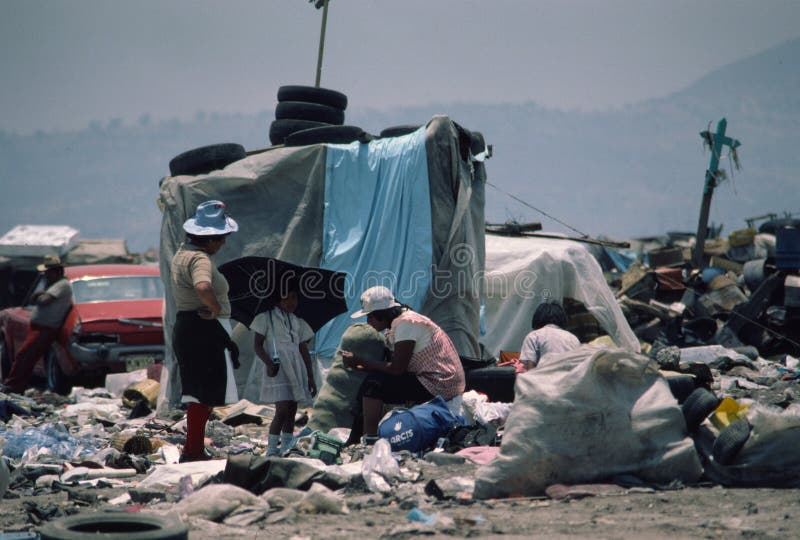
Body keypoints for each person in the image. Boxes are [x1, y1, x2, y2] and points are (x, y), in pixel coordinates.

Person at [342, 286, 465, 440]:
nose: (368, 322)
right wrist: (360, 365)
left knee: (373, 384)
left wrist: (360, 361)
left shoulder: (406, 324)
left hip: (441, 383)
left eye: (370, 317)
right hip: (430, 379)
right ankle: (357, 437)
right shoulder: (397, 324)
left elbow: (397, 369)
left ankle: (368, 439)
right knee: (373, 380)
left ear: (382, 314)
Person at [171, 200, 240, 462]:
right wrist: (216, 307)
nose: (222, 243)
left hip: (188, 327)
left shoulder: (181, 254)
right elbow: (202, 286)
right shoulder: (200, 259)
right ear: (209, 239)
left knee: (200, 392)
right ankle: (194, 450)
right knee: (203, 393)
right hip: (202, 330)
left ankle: (194, 447)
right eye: (220, 238)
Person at [250, 286, 317, 456]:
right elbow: (257, 345)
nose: (291, 302)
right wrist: (268, 363)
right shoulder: (266, 318)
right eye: (286, 297)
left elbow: (303, 349)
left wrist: (310, 376)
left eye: (294, 297)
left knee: (292, 409)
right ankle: (272, 449)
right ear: (277, 299)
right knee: (281, 410)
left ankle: (286, 445)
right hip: (278, 368)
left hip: (295, 368)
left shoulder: (297, 321)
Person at [2, 255, 73, 394]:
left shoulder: (62, 285)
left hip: (45, 328)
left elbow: (43, 300)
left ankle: (13, 385)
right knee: (26, 356)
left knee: (25, 355)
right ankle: (16, 384)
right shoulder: (54, 285)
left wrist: (39, 294)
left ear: (58, 272)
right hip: (39, 326)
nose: (46, 275)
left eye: (49, 272)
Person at [519, 301, 580, 371]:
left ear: (538, 318)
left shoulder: (534, 336)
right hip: (569, 377)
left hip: (543, 377)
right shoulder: (573, 338)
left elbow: (529, 366)